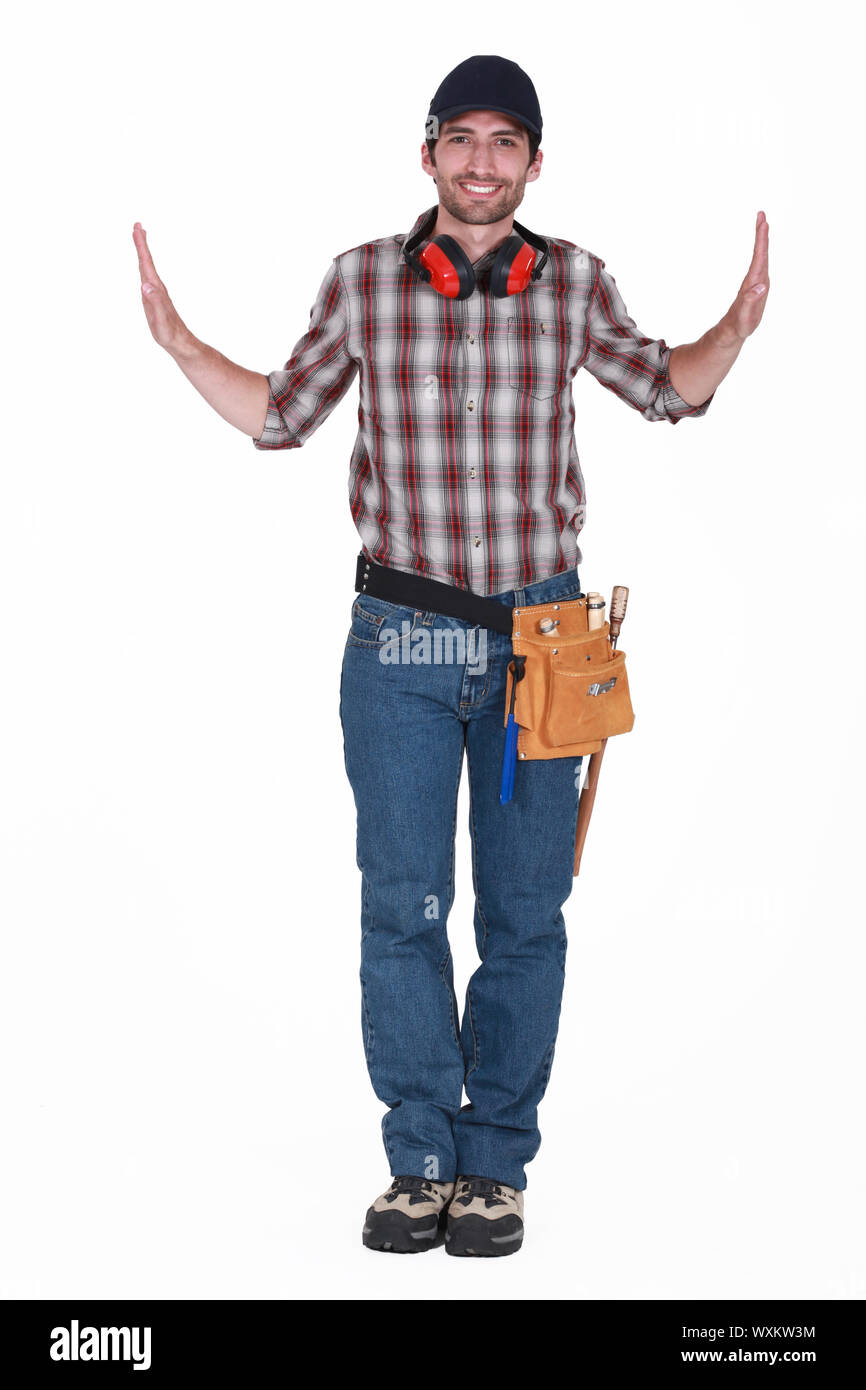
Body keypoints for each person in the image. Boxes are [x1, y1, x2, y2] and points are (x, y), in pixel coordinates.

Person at [134, 54, 769, 1259]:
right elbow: (281, 415)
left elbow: (666, 391)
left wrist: (731, 331)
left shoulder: (573, 282)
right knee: (404, 905)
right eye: (461, 139)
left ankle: (494, 1166)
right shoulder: (365, 282)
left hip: (545, 639)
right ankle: (416, 1156)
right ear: (425, 153)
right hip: (401, 640)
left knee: (526, 913)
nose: (482, 162)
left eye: (506, 143)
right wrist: (178, 344)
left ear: (534, 164)